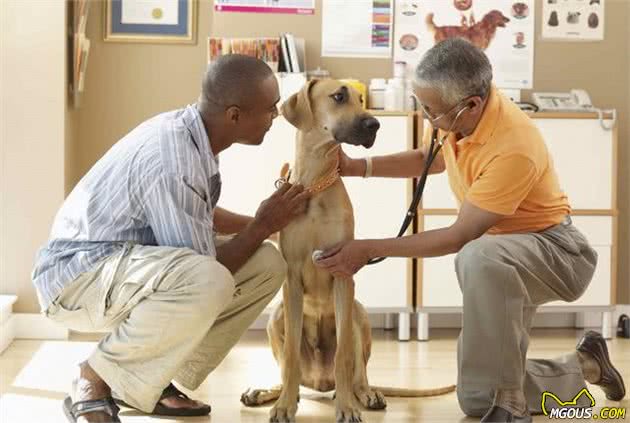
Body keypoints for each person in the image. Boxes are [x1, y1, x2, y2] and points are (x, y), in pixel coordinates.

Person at [315, 38, 625, 422]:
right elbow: (433, 160)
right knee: (478, 398)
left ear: (470, 105)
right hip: (505, 255)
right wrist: (360, 167)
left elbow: (458, 236)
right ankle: (588, 366)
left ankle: (511, 400)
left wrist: (364, 249)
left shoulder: (513, 144)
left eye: (431, 111)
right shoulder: (463, 117)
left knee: (476, 254)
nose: (428, 119)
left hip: (558, 253)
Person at [32, 55, 311, 423]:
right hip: (78, 279)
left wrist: (271, 228)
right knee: (207, 279)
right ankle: (94, 377)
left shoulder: (193, 136)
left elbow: (198, 214)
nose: (276, 116)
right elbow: (204, 273)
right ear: (234, 115)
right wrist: (259, 224)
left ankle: (150, 379)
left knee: (267, 263)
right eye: (269, 109)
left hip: (125, 267)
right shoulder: (173, 157)